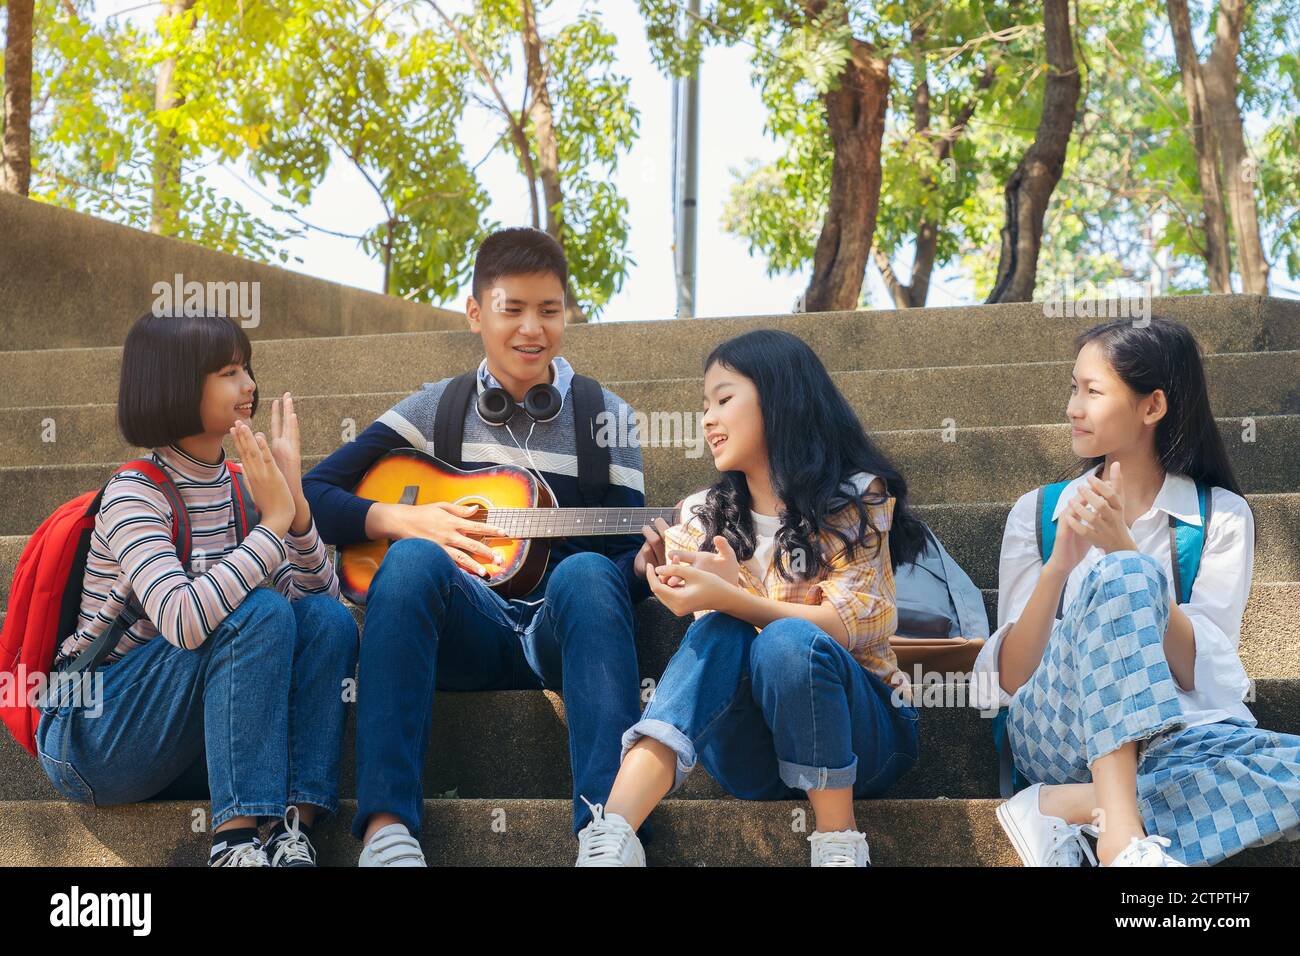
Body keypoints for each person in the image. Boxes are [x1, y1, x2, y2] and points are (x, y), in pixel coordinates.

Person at [302, 227, 651, 866]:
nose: (531, 329)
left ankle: (609, 829)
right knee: (409, 561)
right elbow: (313, 493)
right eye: (511, 309)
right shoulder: (441, 408)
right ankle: (386, 834)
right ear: (474, 314)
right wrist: (407, 521)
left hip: (559, 630)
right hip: (463, 630)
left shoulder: (608, 416)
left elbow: (629, 556)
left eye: (549, 310)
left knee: (592, 574)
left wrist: (645, 568)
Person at [574, 328, 928, 867]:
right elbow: (715, 642)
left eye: (724, 399)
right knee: (720, 629)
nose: (708, 419)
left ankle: (839, 844)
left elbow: (853, 623)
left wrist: (736, 594)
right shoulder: (701, 514)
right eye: (704, 405)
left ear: (779, 396)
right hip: (752, 758)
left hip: (865, 739)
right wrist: (677, 582)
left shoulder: (856, 496)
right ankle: (613, 832)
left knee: (789, 639)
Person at [36, 312, 358, 867]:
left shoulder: (244, 488)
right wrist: (271, 527)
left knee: (322, 621)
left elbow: (325, 615)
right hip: (96, 734)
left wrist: (295, 507)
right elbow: (181, 621)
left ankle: (290, 831)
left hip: (195, 739)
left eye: (247, 369)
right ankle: (234, 844)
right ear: (175, 384)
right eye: (229, 372)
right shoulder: (134, 493)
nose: (249, 385)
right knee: (256, 611)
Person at [977, 316, 1300, 866]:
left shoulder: (1220, 515)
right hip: (1058, 733)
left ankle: (1069, 807)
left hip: (1178, 736)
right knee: (1126, 576)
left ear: (1152, 407)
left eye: (1093, 391)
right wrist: (1060, 567)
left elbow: (1203, 670)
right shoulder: (1039, 513)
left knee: (1130, 572)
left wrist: (1125, 549)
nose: (1073, 407)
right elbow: (1010, 679)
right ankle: (1122, 840)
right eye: (1073, 388)